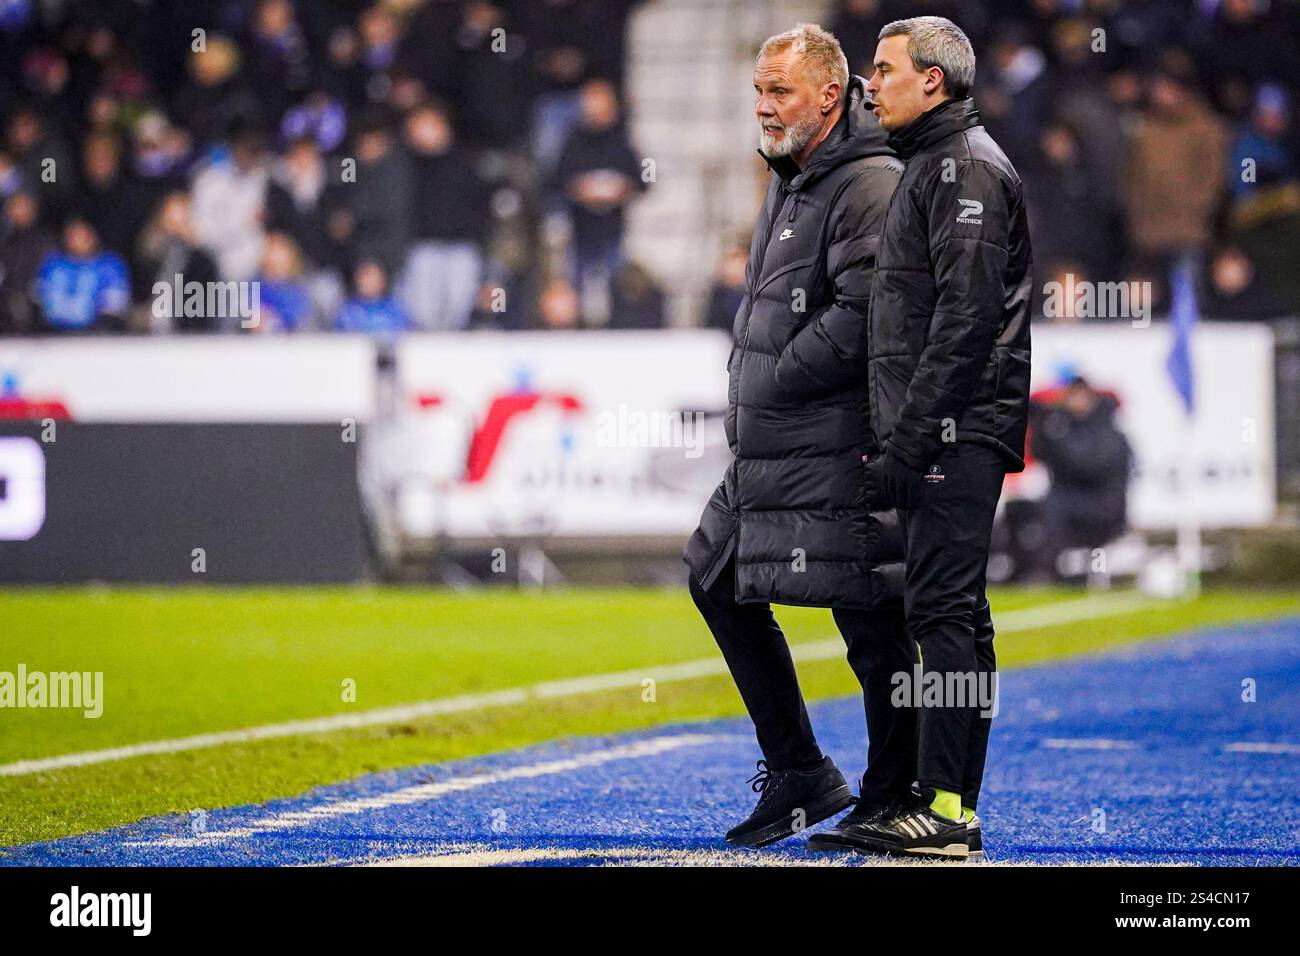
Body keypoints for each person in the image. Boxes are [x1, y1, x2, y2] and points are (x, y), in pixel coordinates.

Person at [683, 23, 911, 849]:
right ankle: (800, 771)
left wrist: (775, 374)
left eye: (779, 91)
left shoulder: (870, 180)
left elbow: (865, 312)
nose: (764, 105)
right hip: (778, 439)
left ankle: (897, 792)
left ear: (827, 93)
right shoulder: (792, 172)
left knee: (869, 616)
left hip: (838, 438)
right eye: (758, 90)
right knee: (714, 575)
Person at [825, 15, 1031, 858]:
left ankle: (947, 810)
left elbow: (967, 318)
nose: (871, 84)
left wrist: (913, 441)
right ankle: (936, 798)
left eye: (884, 68)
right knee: (950, 613)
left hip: (955, 431)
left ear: (933, 81)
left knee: (943, 612)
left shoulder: (965, 168)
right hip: (946, 427)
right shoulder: (936, 165)